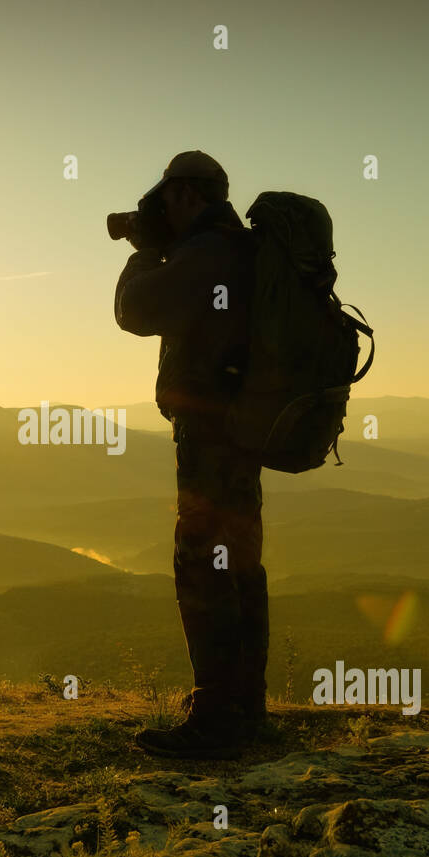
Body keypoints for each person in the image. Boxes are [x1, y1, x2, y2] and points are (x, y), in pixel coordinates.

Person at [113, 150, 270, 759]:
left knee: (203, 564)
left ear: (183, 196)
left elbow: (135, 311)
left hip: (211, 432)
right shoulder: (240, 249)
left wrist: (143, 249)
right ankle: (241, 706)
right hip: (242, 427)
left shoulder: (207, 254)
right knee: (241, 565)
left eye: (165, 198)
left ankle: (217, 720)